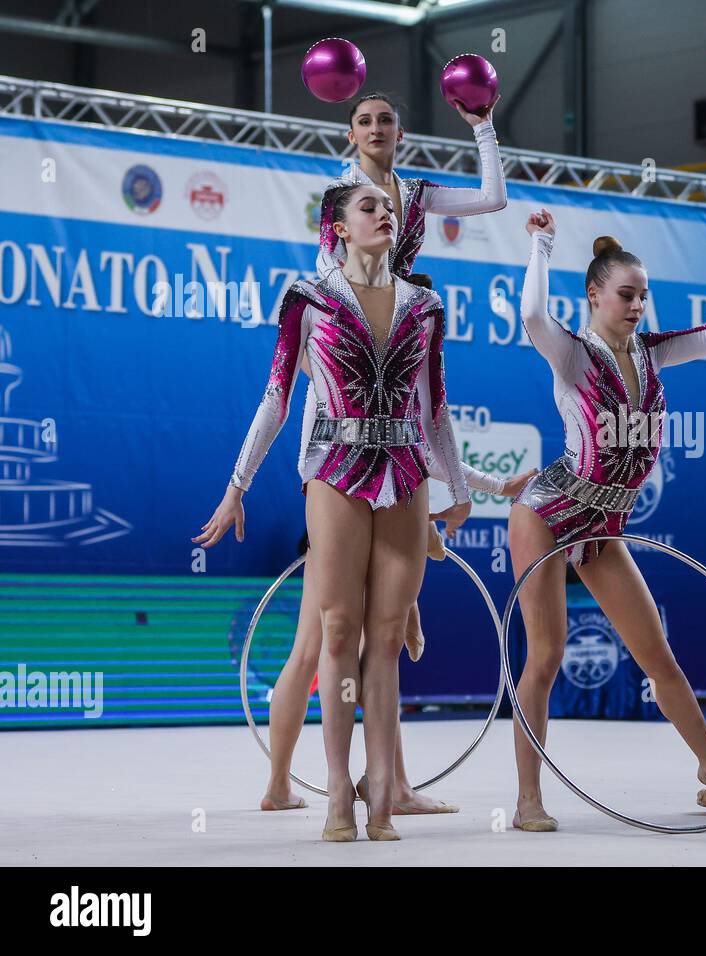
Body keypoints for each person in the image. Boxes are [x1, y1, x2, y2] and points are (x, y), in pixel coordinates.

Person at [247, 91, 534, 819]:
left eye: (387, 121)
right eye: (366, 121)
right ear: (351, 132)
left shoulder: (419, 200)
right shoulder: (344, 207)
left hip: (391, 414)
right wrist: (334, 419)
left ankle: (382, 785)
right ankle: (294, 781)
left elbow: (495, 197)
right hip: (338, 416)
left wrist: (484, 128)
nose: (377, 130)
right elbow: (322, 323)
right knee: (325, 636)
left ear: (402, 133)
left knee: (366, 632)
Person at [197, 179, 479, 842]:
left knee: (386, 641)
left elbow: (434, 410)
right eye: (368, 208)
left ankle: (380, 799)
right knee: (339, 630)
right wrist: (237, 484)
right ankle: (335, 799)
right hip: (334, 470)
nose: (384, 214)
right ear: (340, 229)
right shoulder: (309, 299)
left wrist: (460, 491)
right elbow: (276, 398)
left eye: (389, 207)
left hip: (406, 474)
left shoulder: (427, 306)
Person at [509, 206, 706, 831]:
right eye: (626, 294)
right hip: (549, 510)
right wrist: (542, 244)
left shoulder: (652, 354)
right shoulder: (572, 354)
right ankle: (528, 798)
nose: (638, 304)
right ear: (594, 295)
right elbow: (532, 314)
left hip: (603, 524)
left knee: (658, 657)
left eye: (644, 294)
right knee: (544, 657)